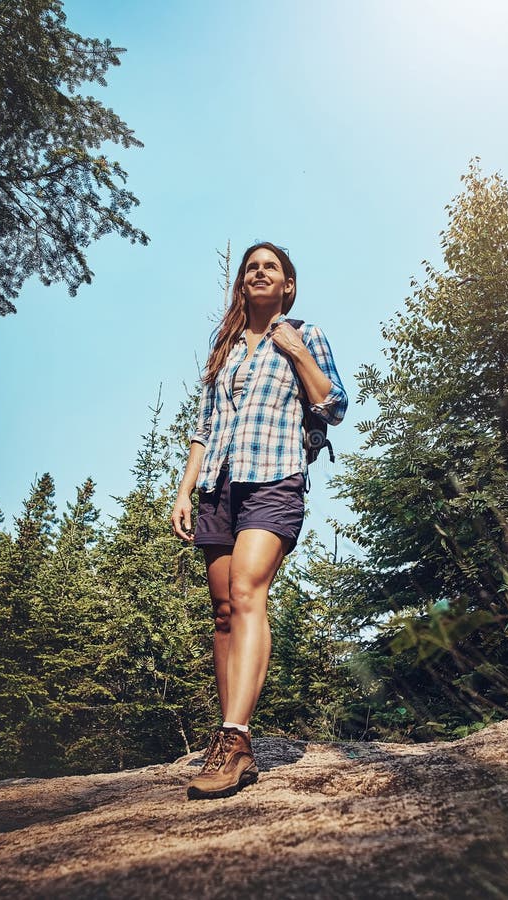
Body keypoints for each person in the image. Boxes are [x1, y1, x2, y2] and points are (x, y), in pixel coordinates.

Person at [171, 241, 347, 800]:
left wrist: (296, 351)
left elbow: (333, 404)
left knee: (248, 590)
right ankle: (232, 736)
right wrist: (184, 488)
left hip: (274, 476)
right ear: (242, 284)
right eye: (252, 268)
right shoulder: (222, 347)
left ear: (287, 286)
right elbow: (205, 425)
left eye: (271, 267)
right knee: (223, 609)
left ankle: (235, 735)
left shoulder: (306, 334)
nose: (259, 272)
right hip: (218, 484)